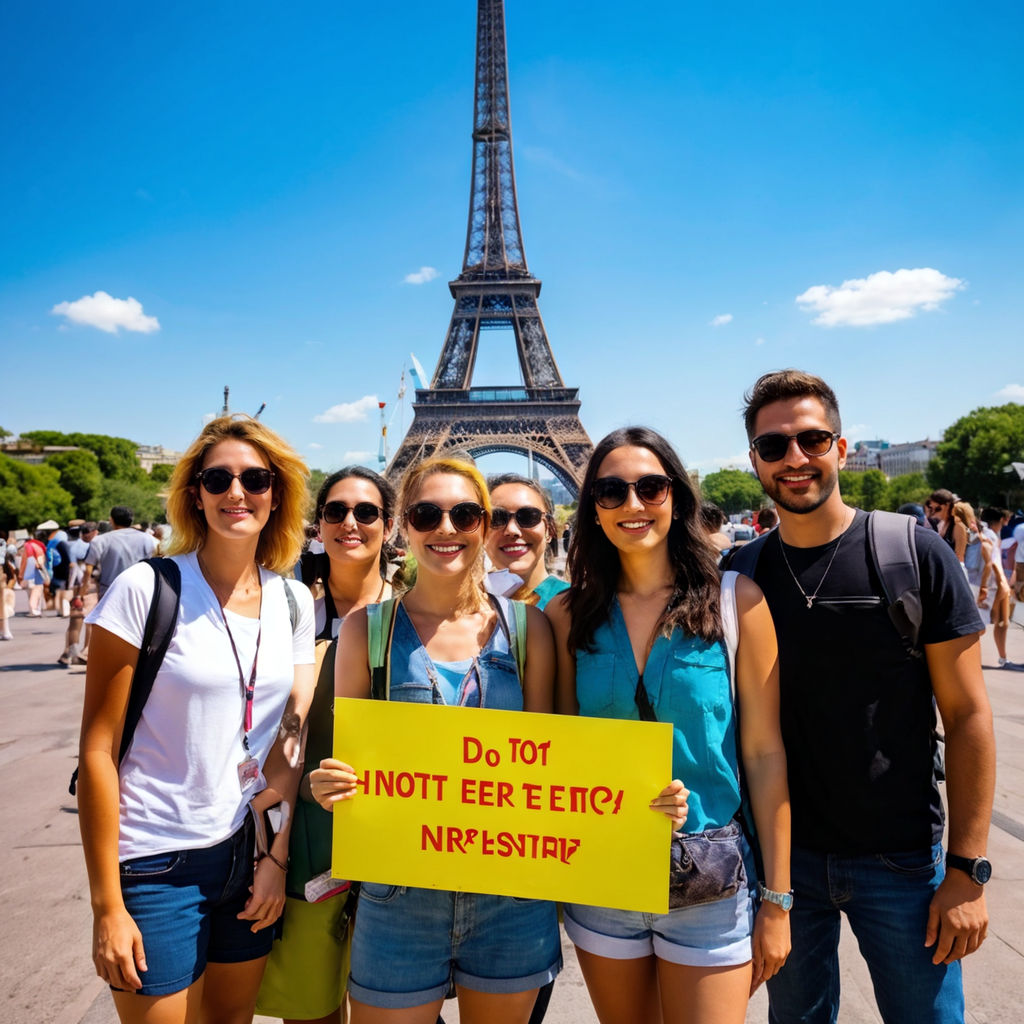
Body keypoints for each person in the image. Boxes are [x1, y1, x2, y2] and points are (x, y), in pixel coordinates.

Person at [737, 369, 994, 1024]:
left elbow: (968, 716)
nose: (795, 458)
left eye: (812, 439)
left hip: (901, 857)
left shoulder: (914, 553)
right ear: (755, 462)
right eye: (774, 446)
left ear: (842, 448)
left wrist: (967, 870)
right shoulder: (739, 575)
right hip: (784, 864)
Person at [545, 426, 791, 1024]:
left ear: (676, 497)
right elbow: (557, 749)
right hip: (603, 872)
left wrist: (778, 900)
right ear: (593, 510)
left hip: (711, 879)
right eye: (611, 491)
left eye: (650, 487)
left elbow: (764, 754)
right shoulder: (566, 614)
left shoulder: (737, 602)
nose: (632, 503)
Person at [76, 415, 316, 1024]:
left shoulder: (293, 601)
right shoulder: (144, 589)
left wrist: (275, 856)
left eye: (255, 479)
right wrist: (107, 906)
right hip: (158, 860)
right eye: (218, 479)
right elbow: (97, 751)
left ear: (276, 494)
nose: (237, 491)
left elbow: (290, 737)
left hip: (247, 850)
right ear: (196, 494)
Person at [310, 456, 562, 1024]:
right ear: (403, 526)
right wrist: (332, 785)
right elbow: (350, 760)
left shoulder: (530, 630)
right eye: (427, 514)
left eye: (465, 514)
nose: (446, 528)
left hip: (509, 893)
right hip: (398, 894)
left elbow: (552, 766)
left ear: (484, 526)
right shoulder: (366, 631)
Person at [257, 466, 398, 1024]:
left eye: (366, 512)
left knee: (392, 1008)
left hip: (397, 832)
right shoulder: (286, 612)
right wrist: (273, 849)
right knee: (310, 1007)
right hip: (305, 835)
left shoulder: (417, 613)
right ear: (318, 525)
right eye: (336, 511)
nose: (350, 522)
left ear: (390, 525)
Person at [485, 472, 568, 610]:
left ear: (549, 530)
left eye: (528, 516)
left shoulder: (579, 606)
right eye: (497, 518)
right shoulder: (463, 607)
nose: (512, 530)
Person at [76, 506, 157, 603]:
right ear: (131, 520)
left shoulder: (100, 540)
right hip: (140, 590)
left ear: (111, 520)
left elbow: (88, 570)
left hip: (109, 591)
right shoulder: (149, 539)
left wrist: (82, 593)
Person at [977, 507, 1018, 669]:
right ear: (999, 520)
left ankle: (1003, 658)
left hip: (994, 584)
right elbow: (993, 563)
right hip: (992, 585)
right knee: (981, 625)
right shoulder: (990, 535)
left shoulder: (989, 534)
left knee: (1002, 622)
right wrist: (1002, 583)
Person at [926, 489, 967, 562]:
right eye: (932, 509)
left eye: (938, 509)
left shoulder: (958, 525)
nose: (934, 513)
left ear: (947, 506)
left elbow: (960, 556)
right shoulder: (941, 524)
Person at [19, 529, 48, 616]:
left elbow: (25, 561)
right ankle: (37, 610)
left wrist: (21, 574)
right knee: (38, 591)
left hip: (30, 571)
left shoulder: (28, 545)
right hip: (39, 571)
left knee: (31, 591)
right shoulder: (42, 546)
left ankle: (33, 611)